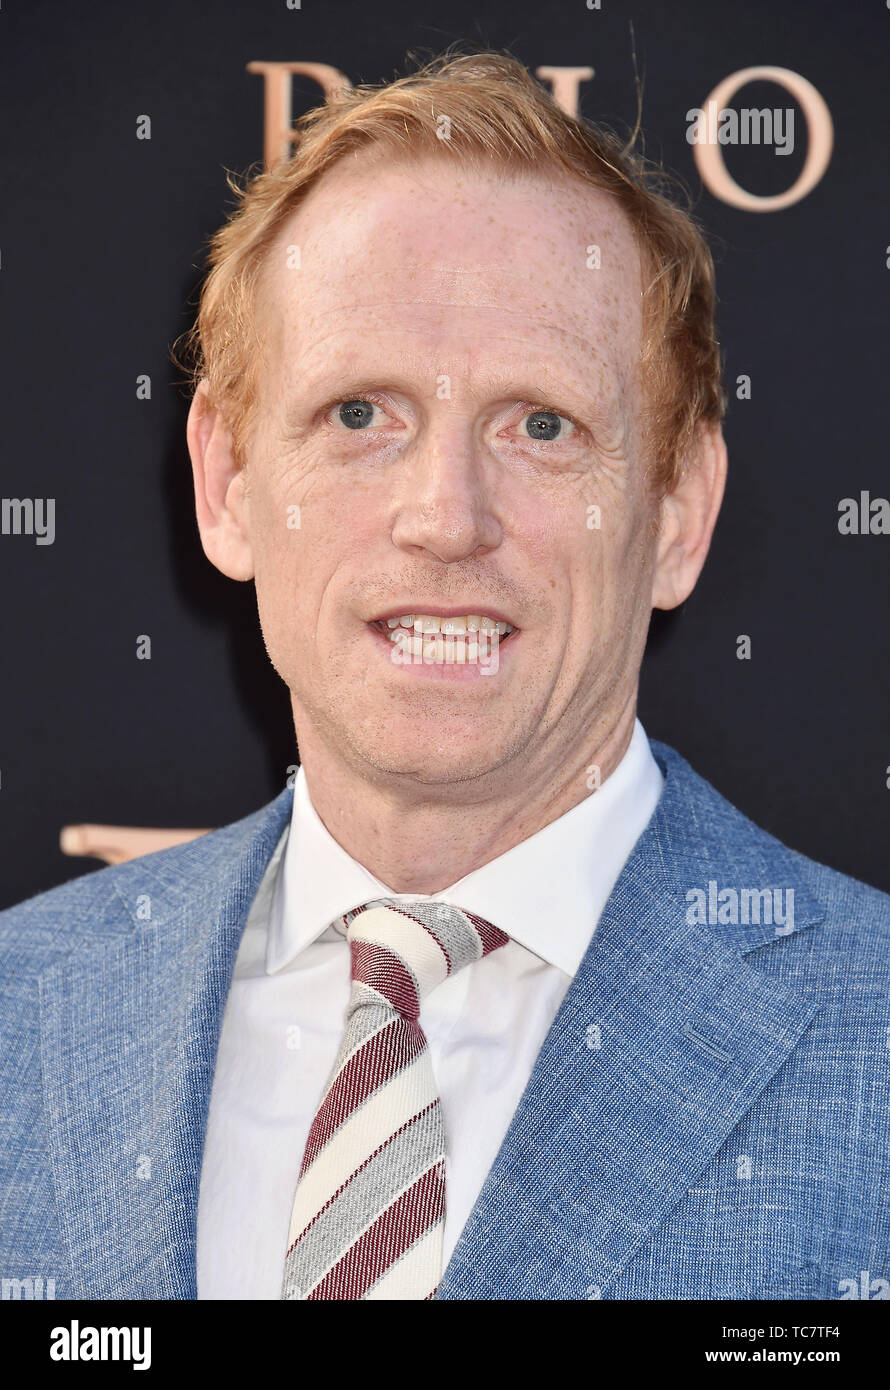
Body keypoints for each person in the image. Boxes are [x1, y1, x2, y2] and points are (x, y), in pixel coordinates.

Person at [1, 50, 887, 1303]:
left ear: (678, 506)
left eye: (540, 424)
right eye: (362, 414)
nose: (444, 518)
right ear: (227, 484)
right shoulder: (20, 1012)